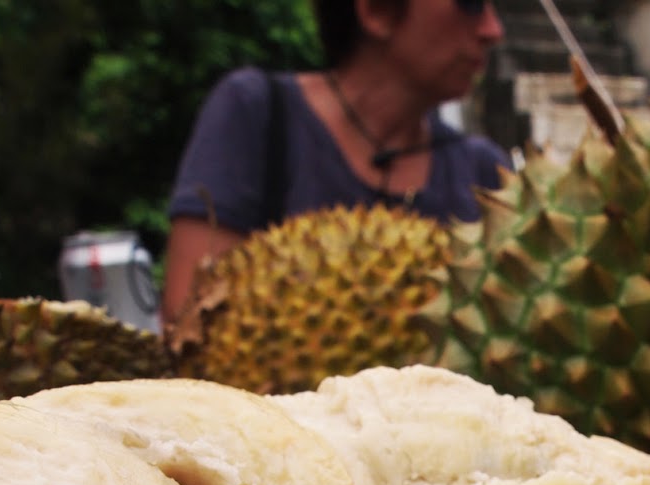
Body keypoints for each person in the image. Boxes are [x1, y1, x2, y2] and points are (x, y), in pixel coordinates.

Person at [160, 0, 510, 325]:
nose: (493, 31)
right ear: (378, 10)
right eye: (470, 3)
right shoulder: (258, 113)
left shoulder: (485, 173)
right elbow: (187, 323)